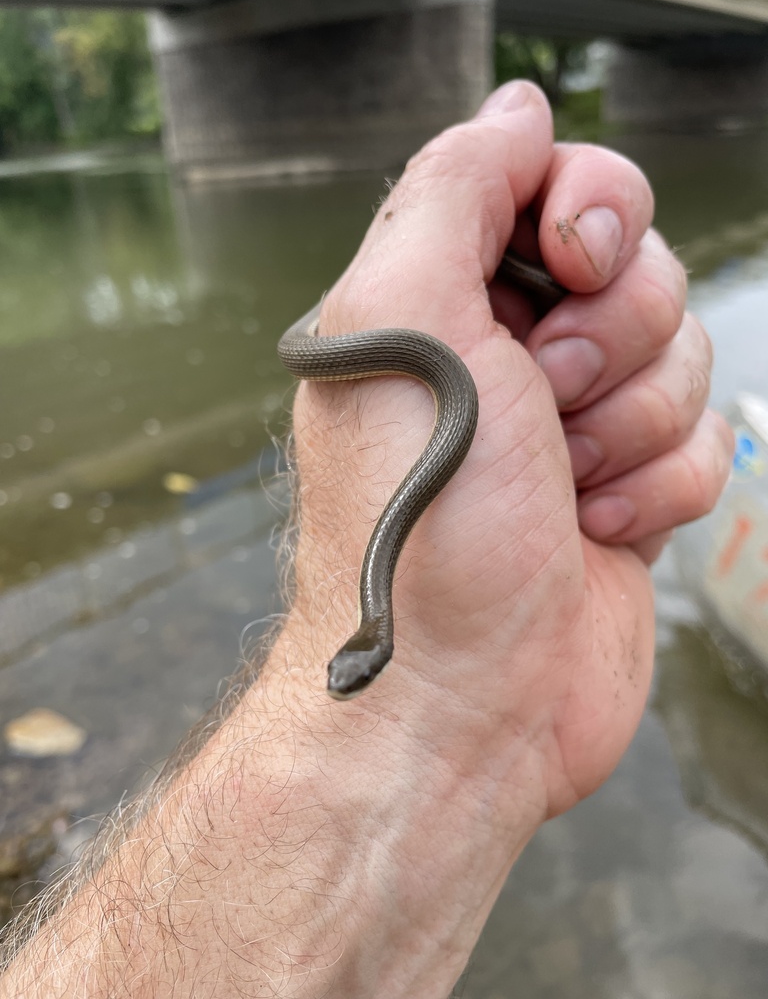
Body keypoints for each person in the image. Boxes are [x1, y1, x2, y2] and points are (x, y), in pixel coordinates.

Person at [0, 80, 732, 997]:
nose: (351, 683)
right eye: (361, 674)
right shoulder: (398, 532)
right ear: (371, 644)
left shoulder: (435, 457)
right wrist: (441, 720)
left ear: (368, 640)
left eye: (355, 672)